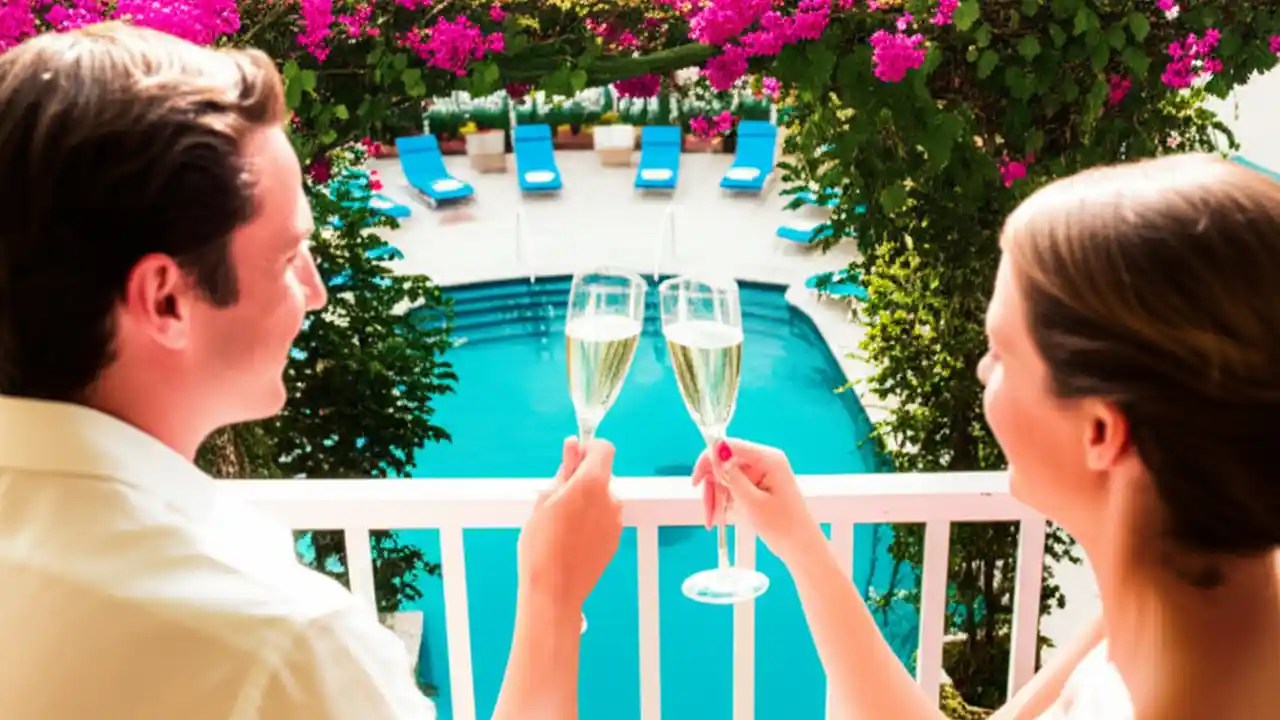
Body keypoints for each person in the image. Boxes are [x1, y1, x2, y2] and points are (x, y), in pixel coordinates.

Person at [0, 22, 621, 720]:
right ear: (166, 299)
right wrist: (552, 594)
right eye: (288, 254)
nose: (316, 287)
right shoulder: (278, 647)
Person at [695, 153, 1280, 719]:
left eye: (1000, 353)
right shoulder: (1188, 593)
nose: (981, 369)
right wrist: (801, 542)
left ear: (1101, 431)